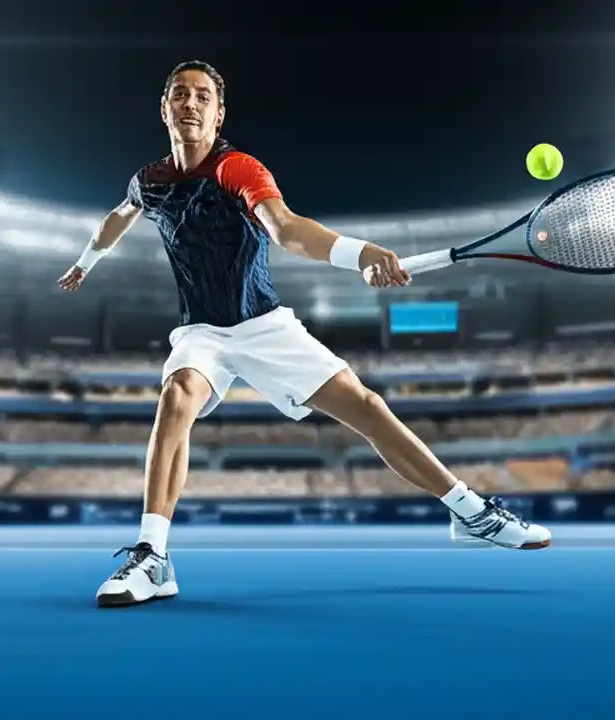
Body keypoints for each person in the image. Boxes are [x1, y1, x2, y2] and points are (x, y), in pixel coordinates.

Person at [58, 60, 551, 607]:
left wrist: (360, 253)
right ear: (165, 108)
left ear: (219, 115)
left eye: (203, 96)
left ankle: (470, 511)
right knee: (175, 395)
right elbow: (119, 214)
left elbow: (287, 230)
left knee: (368, 407)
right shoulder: (149, 181)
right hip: (201, 330)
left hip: (264, 325)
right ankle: (152, 558)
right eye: (180, 94)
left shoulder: (237, 168)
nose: (191, 103)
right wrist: (87, 261)